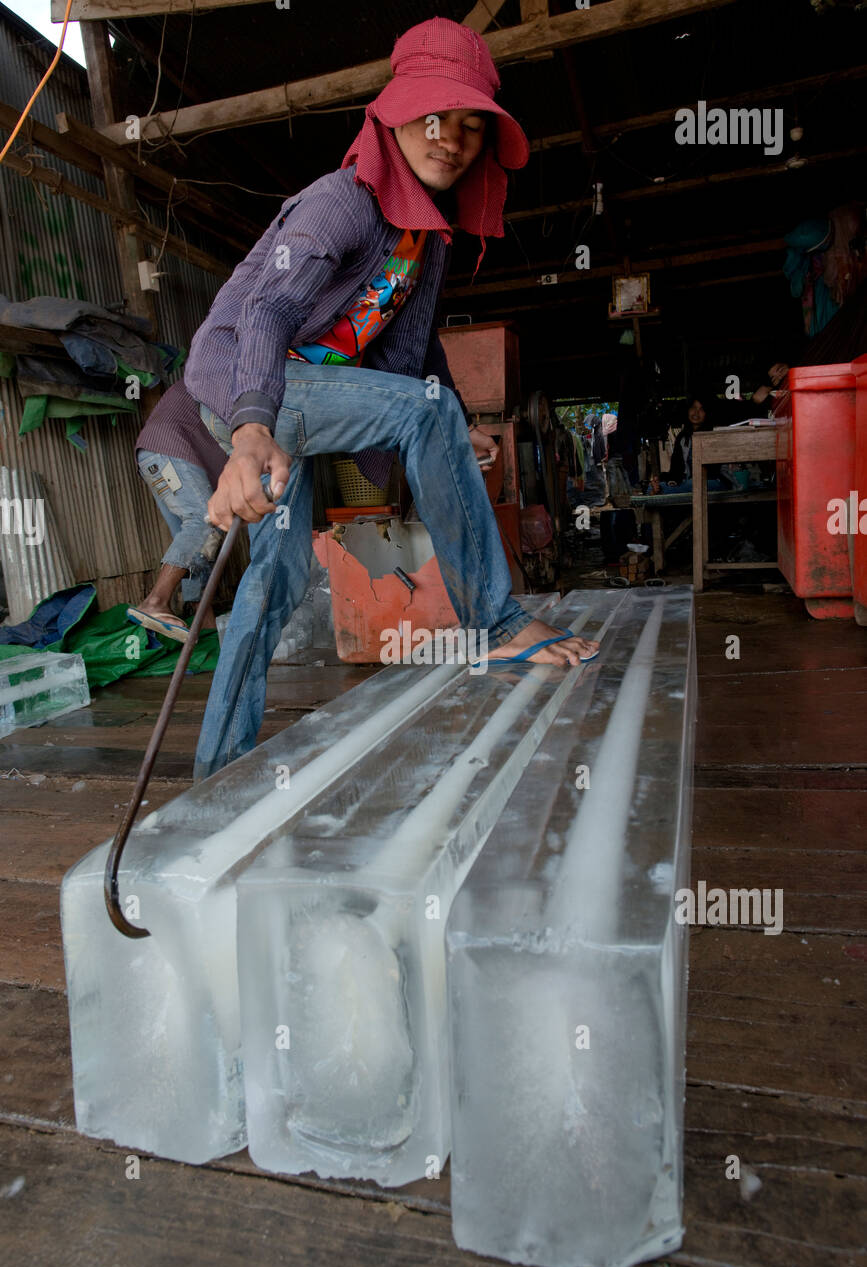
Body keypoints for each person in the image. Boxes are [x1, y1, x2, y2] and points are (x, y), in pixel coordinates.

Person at [184, 17, 598, 780]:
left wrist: (449, 428)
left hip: (306, 401)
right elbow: (266, 315)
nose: (452, 138)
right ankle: (497, 620)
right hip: (255, 385)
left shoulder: (424, 239)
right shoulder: (340, 202)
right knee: (423, 409)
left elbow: (412, 350)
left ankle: (217, 771)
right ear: (394, 116)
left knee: (275, 581)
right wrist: (249, 432)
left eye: (473, 127)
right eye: (435, 117)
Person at [126, 380, 228, 641]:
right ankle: (155, 601)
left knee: (196, 540)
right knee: (203, 523)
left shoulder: (212, 371)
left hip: (154, 457)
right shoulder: (222, 373)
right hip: (171, 450)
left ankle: (203, 620)